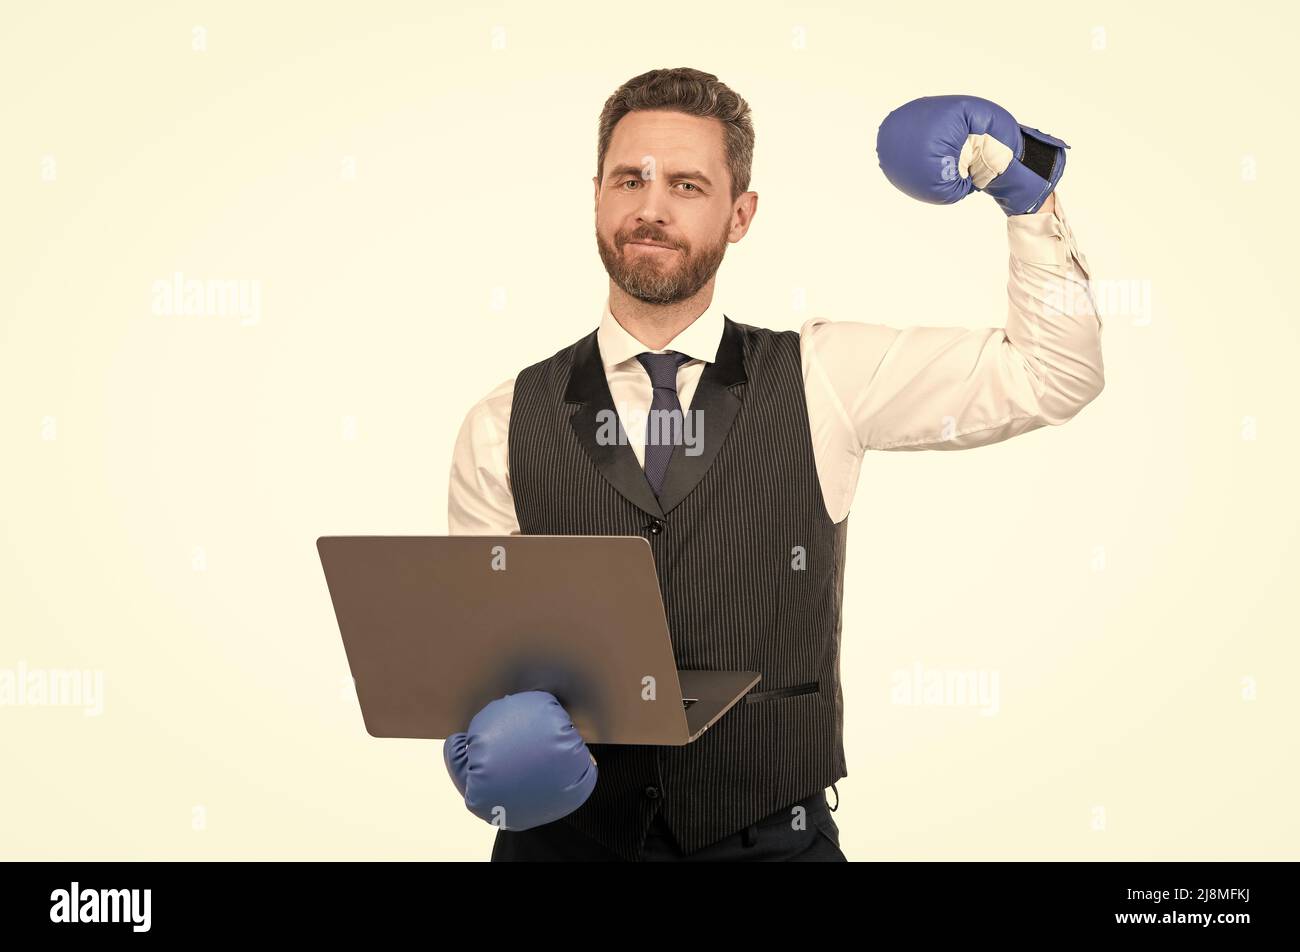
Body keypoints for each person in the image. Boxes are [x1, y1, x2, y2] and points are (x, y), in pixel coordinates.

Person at [446, 68, 1103, 862]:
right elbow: (481, 656)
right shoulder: (501, 420)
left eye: (687, 184)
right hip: (565, 844)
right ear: (596, 196)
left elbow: (1053, 374)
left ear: (741, 213)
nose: (651, 208)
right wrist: (479, 739)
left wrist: (1025, 198)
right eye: (630, 179)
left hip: (774, 842)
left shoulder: (827, 377)